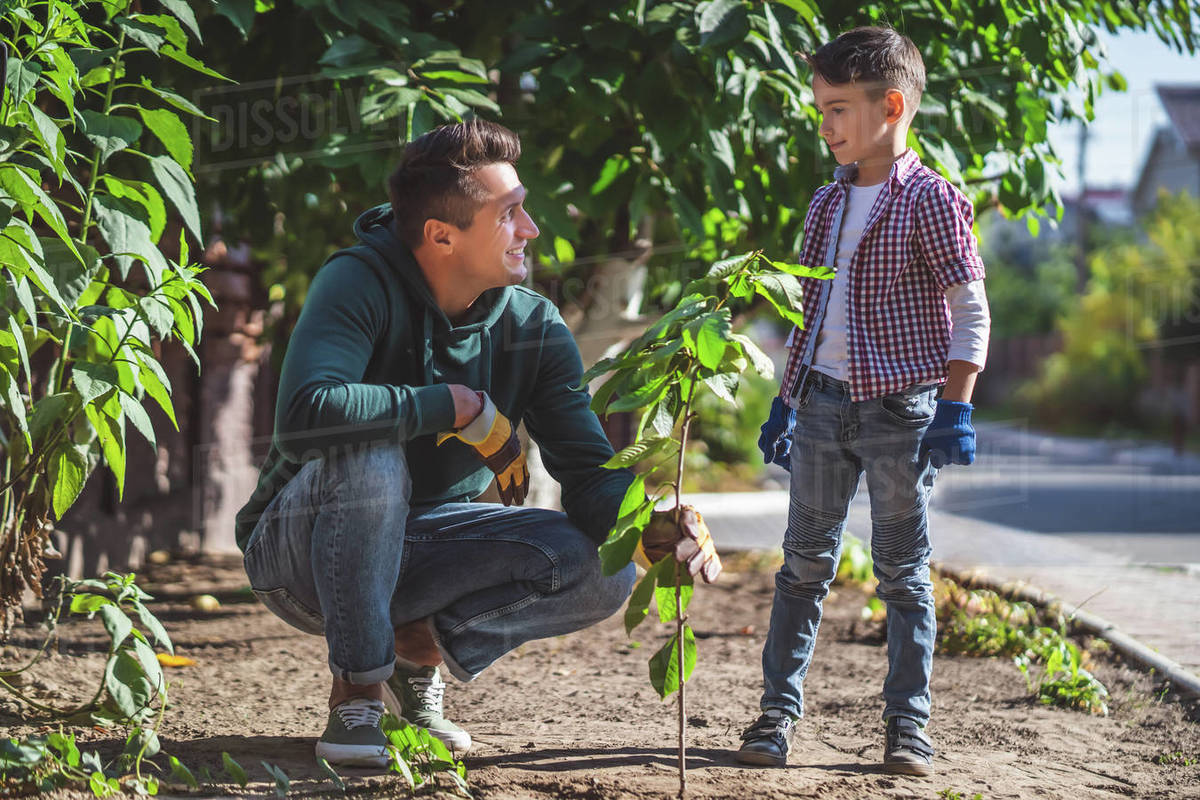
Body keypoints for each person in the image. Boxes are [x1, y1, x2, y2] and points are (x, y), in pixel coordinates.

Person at [234, 119, 720, 767]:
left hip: (425, 547)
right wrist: (451, 405)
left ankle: (416, 654)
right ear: (442, 235)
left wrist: (646, 522)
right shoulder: (356, 282)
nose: (531, 230)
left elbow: (586, 473)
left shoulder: (532, 326)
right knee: (371, 453)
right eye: (510, 213)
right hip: (298, 556)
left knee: (596, 569)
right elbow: (304, 414)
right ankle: (357, 693)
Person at [739, 26, 991, 775]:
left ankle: (907, 728)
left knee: (903, 573)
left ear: (890, 105)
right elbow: (809, 316)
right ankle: (775, 719)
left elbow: (971, 309)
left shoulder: (932, 201)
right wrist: (785, 401)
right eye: (820, 107)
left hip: (900, 414)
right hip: (820, 405)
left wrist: (956, 407)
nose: (824, 123)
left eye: (838, 108)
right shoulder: (825, 203)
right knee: (802, 565)